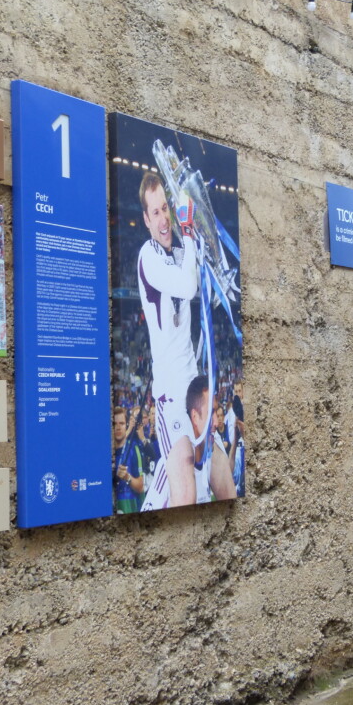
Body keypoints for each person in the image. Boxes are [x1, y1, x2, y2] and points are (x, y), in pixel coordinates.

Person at [136, 171, 200, 507]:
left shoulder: (177, 253)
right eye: (155, 212)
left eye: (166, 209)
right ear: (146, 219)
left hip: (194, 387)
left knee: (219, 479)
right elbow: (188, 287)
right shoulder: (148, 255)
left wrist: (191, 240)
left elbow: (197, 284)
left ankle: (151, 503)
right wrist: (189, 234)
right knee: (186, 494)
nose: (163, 220)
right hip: (171, 394)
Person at [184, 375, 236, 503]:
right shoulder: (175, 474)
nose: (216, 423)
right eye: (210, 413)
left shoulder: (208, 457)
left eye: (216, 412)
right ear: (195, 417)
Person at [112, 407, 146, 514]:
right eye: (114, 424)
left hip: (131, 507)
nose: (118, 427)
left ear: (126, 425)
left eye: (121, 423)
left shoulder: (134, 449)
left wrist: (127, 477)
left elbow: (140, 487)